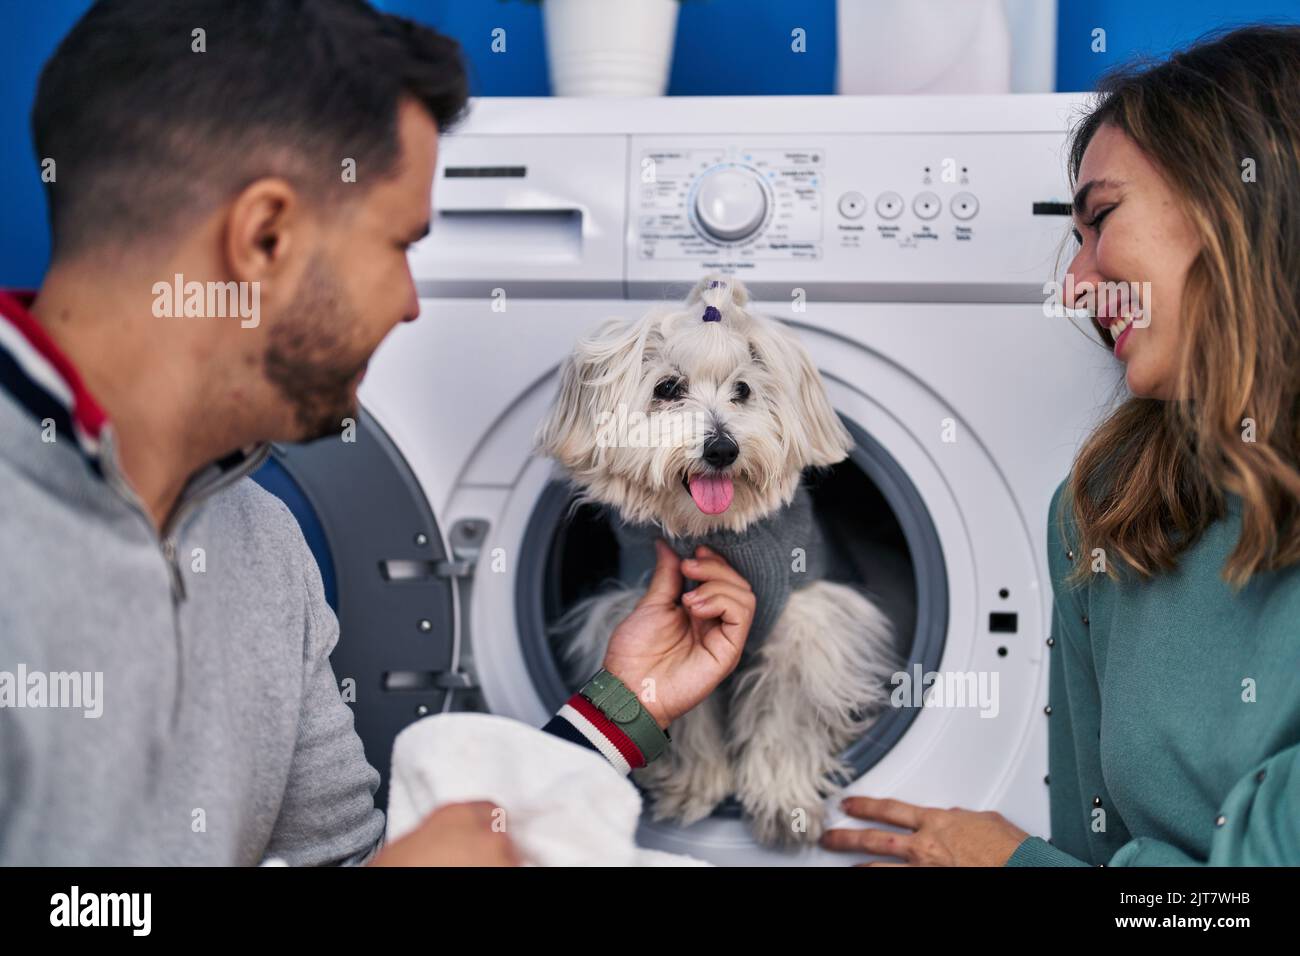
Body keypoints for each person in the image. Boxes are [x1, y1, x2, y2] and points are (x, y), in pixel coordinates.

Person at [0, 0, 755, 866]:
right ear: (264, 237)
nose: (410, 302)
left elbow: (354, 864)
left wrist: (629, 703)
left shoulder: (258, 546)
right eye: (400, 244)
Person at [821, 24, 1300, 866]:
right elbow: (1096, 850)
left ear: (1242, 196)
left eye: (1101, 219)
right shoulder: (1108, 509)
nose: (1073, 286)